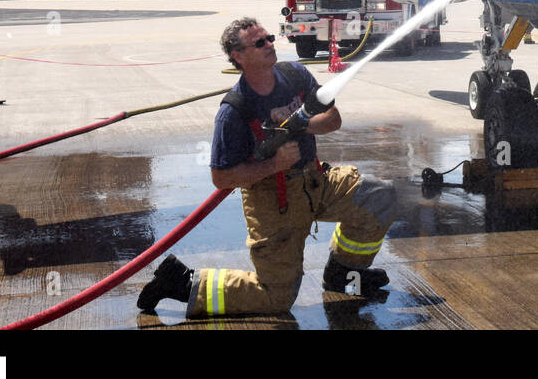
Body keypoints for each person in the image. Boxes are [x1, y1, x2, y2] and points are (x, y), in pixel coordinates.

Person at [138, 17, 397, 316]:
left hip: (316, 182)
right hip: (274, 201)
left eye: (270, 38)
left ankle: (344, 274)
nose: (270, 45)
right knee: (276, 298)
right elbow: (221, 177)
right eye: (260, 43)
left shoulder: (295, 75)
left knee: (380, 197)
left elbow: (333, 119)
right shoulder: (234, 111)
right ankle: (183, 283)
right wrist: (275, 163)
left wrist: (301, 126)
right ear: (238, 56)